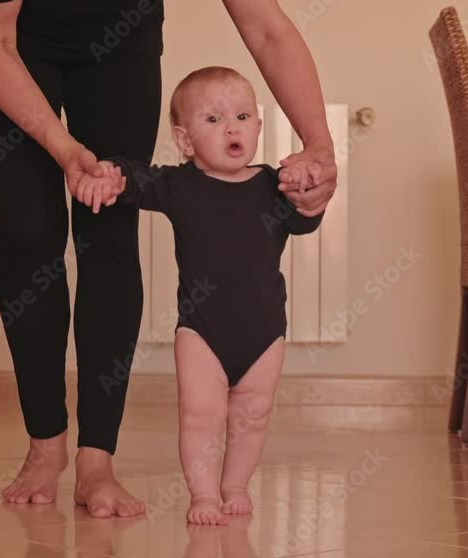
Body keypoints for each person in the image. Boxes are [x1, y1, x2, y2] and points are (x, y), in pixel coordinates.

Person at [0, 0, 338, 518]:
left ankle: (97, 462)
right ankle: (46, 443)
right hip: (12, 44)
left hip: (120, 33)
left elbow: (266, 29)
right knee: (31, 230)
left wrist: (319, 145)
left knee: (109, 228)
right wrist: (66, 151)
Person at [78, 66, 323, 524]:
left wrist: (311, 193)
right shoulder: (180, 184)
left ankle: (234, 484)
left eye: (243, 116)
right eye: (213, 120)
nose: (232, 126)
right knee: (199, 416)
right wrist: (111, 176)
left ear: (258, 126)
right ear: (186, 140)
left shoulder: (274, 184)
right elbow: (138, 179)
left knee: (253, 415)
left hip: (265, 330)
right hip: (201, 332)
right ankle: (204, 493)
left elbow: (305, 220)